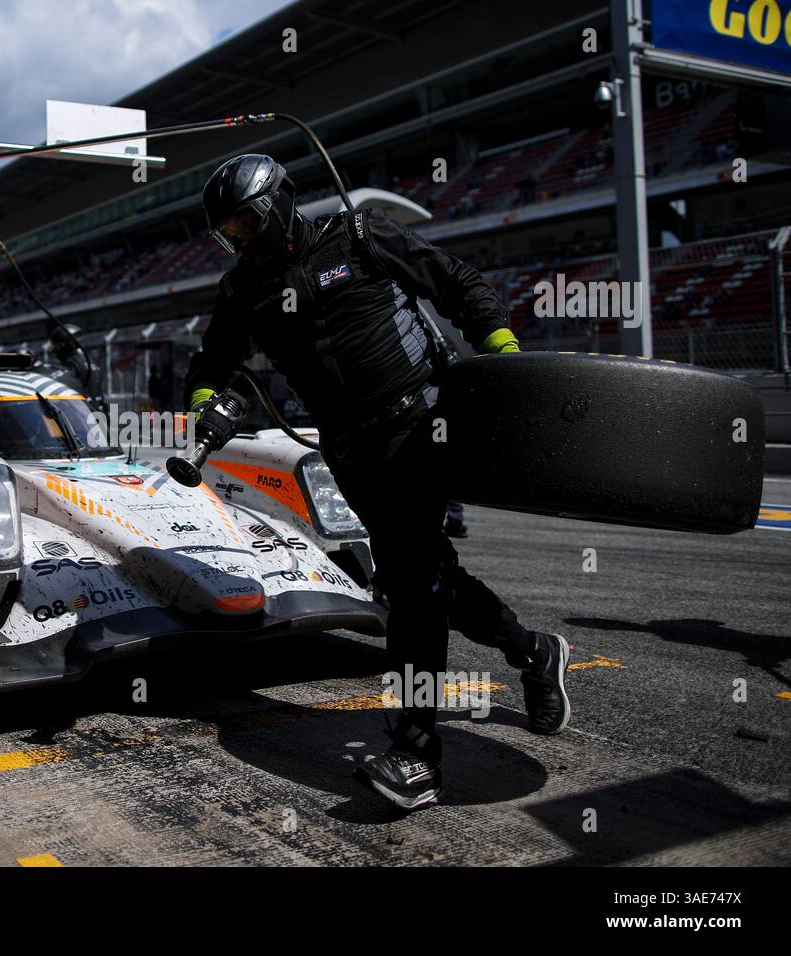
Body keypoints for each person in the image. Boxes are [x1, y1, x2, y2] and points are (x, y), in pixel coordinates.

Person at [184, 154, 570, 811]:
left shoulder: (362, 234)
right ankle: (532, 650)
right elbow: (211, 362)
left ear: (279, 202)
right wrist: (204, 403)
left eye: (247, 223)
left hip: (422, 426)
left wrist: (507, 357)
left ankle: (416, 754)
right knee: (421, 574)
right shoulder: (241, 289)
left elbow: (457, 283)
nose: (241, 240)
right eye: (229, 234)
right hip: (348, 450)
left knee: (414, 583)